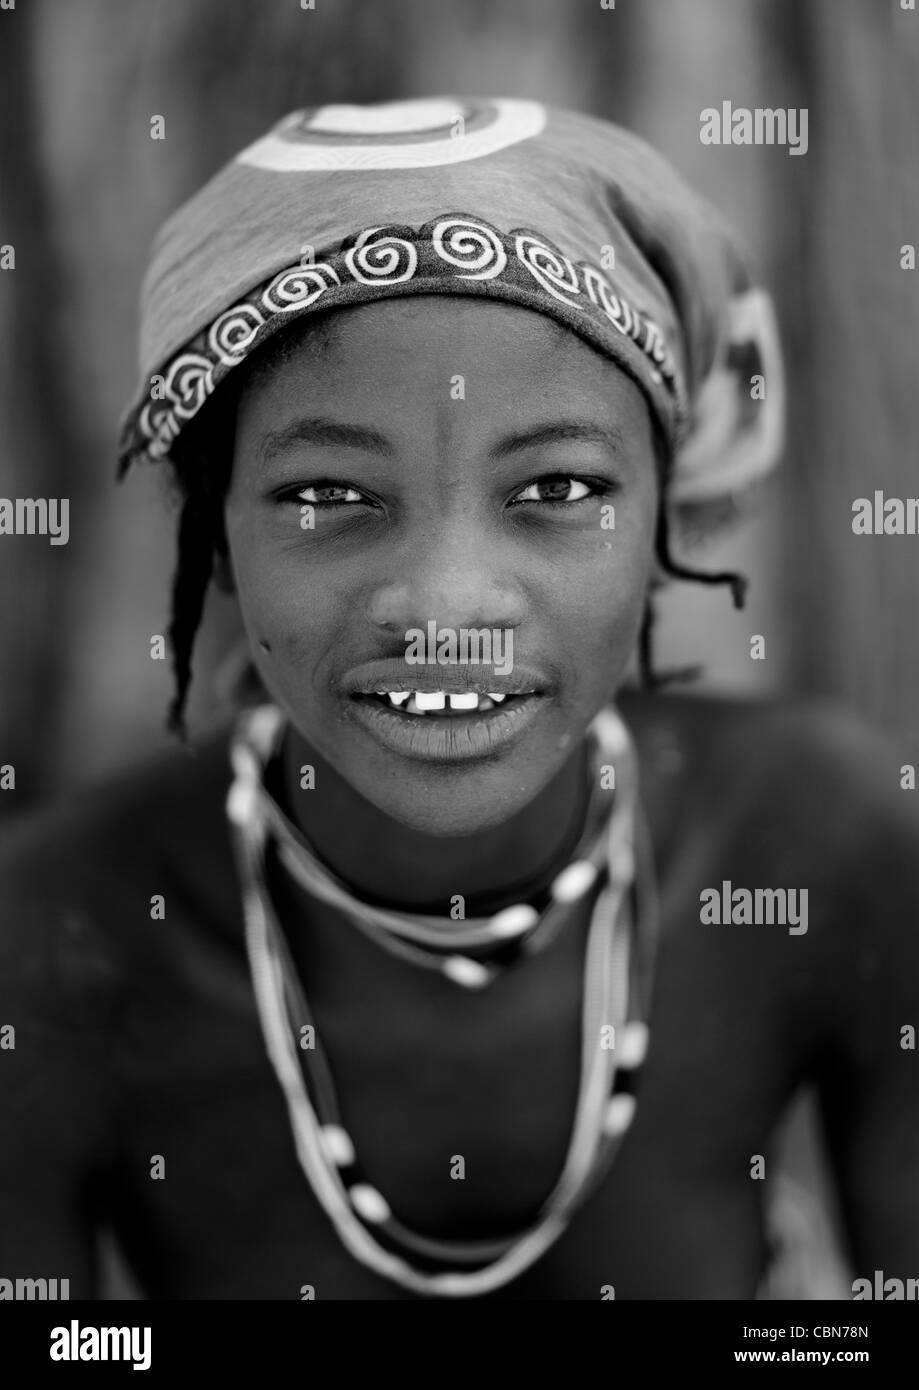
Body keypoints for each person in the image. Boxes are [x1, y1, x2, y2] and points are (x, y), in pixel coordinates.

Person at [1, 98, 917, 1301]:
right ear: (215, 535)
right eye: (328, 496)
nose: (439, 606)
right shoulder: (57, 934)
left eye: (556, 485)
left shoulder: (816, 842)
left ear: (662, 518)